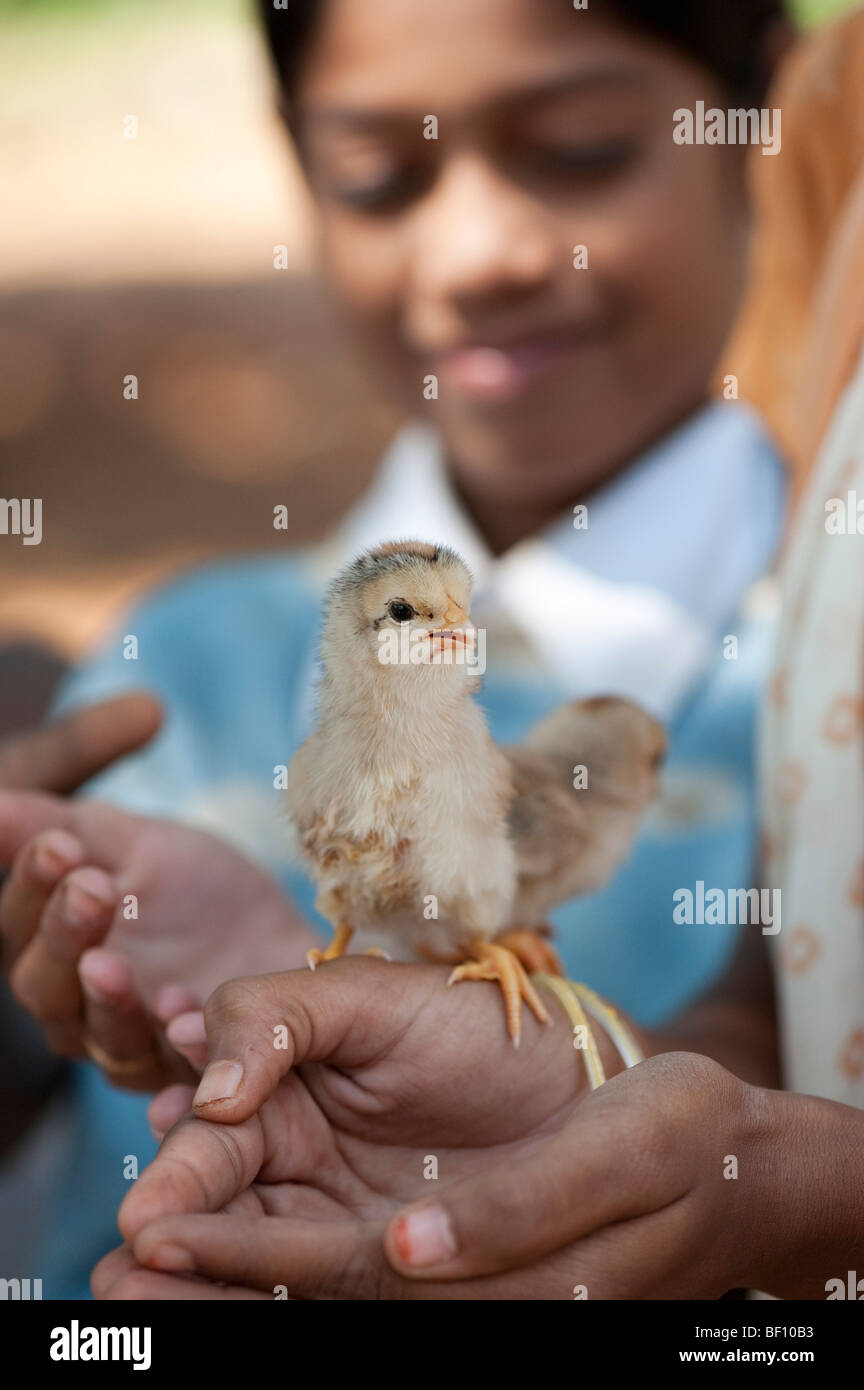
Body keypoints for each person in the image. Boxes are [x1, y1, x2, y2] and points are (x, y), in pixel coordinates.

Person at [0, 0, 790, 1296]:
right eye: (381, 174)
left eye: (583, 146)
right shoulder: (177, 672)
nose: (479, 250)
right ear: (297, 161)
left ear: (761, 114)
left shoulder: (825, 685)